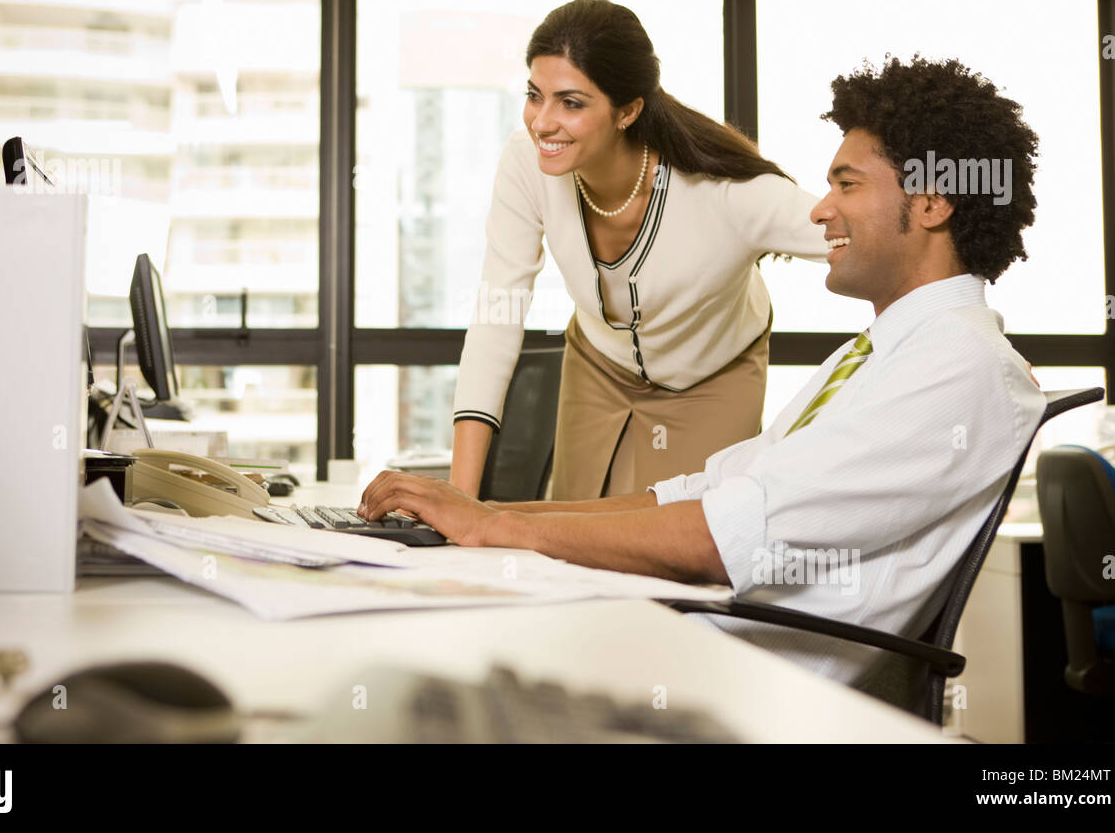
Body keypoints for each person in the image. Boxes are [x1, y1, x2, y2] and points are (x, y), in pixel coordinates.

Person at [361, 54, 1046, 686]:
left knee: (421, 663)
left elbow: (723, 537)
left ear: (932, 201)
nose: (821, 207)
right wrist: (485, 515)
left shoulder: (960, 365)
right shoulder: (879, 353)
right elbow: (705, 489)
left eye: (846, 183)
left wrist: (492, 530)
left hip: (741, 675)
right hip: (698, 637)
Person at [450, 0, 829, 502]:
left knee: (683, 549)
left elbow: (856, 235)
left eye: (571, 102)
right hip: (598, 367)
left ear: (627, 111)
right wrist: (458, 501)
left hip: (711, 376)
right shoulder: (525, 163)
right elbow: (497, 312)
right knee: (571, 539)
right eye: (534, 95)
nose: (542, 122)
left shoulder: (727, 194)